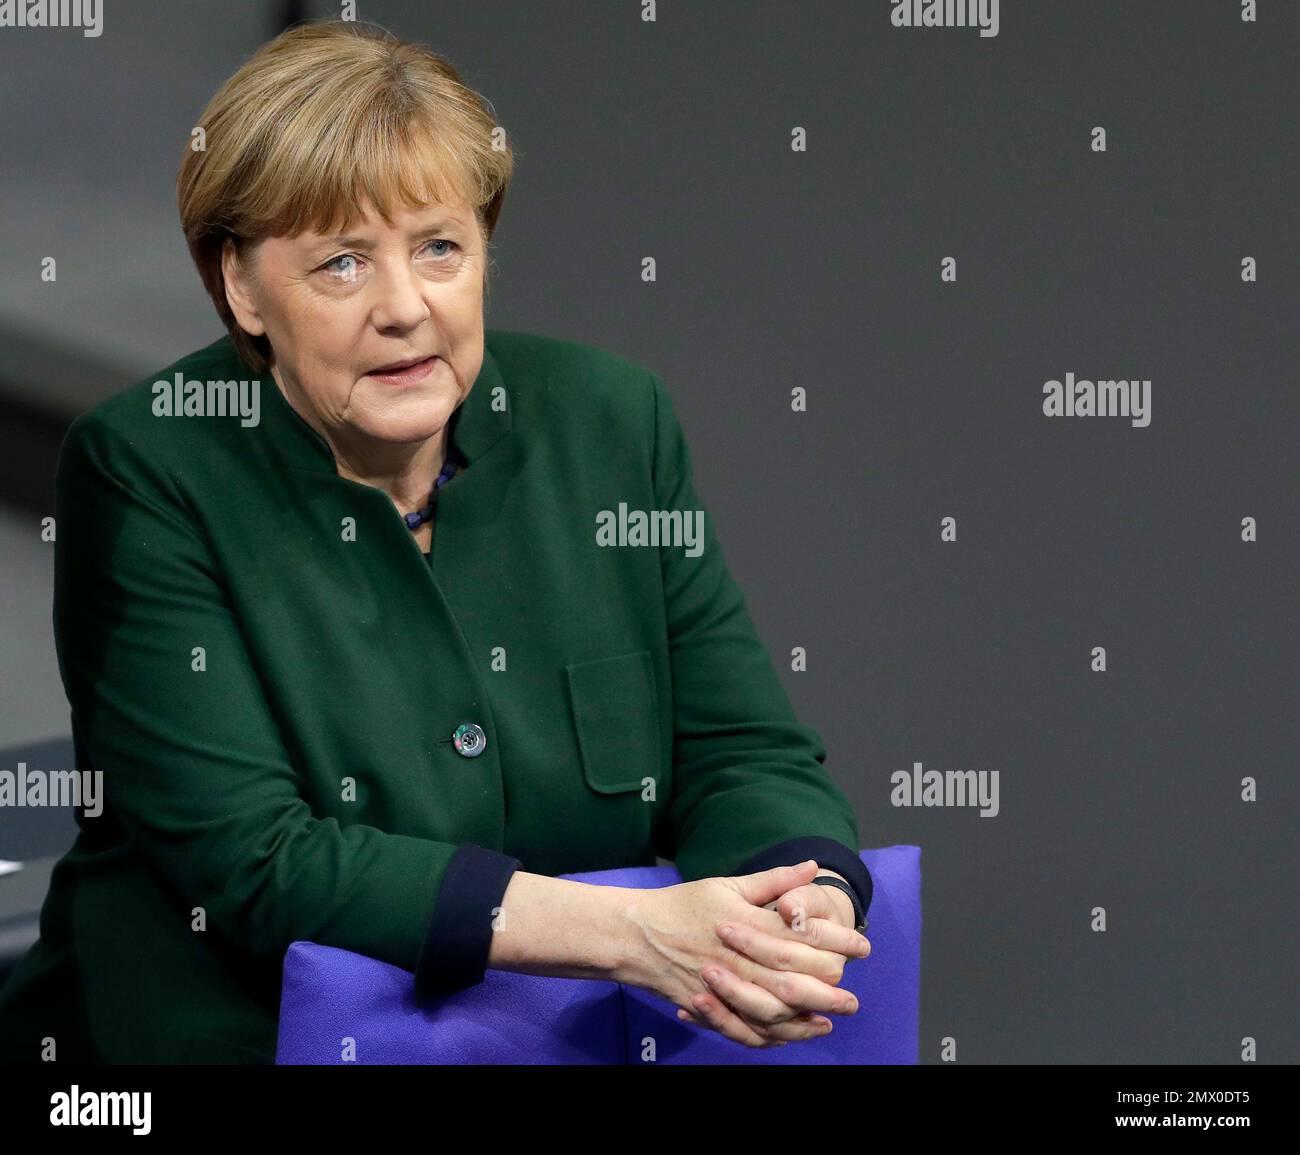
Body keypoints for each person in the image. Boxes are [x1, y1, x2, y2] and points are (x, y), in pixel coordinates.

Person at [0, 18, 871, 1064]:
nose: (405, 307)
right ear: (241, 287)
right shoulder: (144, 467)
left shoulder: (611, 421)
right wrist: (637, 939)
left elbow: (740, 750)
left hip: (561, 1043)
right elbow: (260, 862)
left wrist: (801, 902)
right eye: (340, 265)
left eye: (440, 247)